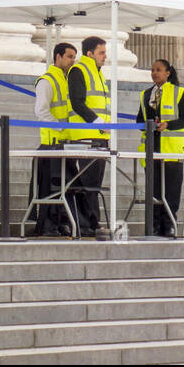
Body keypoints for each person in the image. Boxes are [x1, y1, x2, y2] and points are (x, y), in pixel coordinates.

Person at [136, 58, 184, 237]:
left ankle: (170, 224)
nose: (154, 73)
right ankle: (155, 224)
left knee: (172, 190)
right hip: (151, 148)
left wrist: (167, 125)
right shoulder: (145, 94)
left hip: (172, 149)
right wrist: (148, 123)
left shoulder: (178, 92)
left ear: (168, 73)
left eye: (158, 69)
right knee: (155, 190)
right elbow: (139, 119)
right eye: (152, 69)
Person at [31, 41, 77, 237]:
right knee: (51, 188)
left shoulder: (67, 81)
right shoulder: (47, 80)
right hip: (52, 143)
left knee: (65, 187)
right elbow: (41, 111)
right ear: (58, 57)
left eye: (74, 57)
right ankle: (48, 225)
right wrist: (61, 127)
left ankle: (61, 223)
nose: (72, 61)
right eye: (69, 57)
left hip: (67, 143)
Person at [66, 36, 111, 236]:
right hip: (86, 135)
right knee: (88, 182)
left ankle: (91, 222)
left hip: (99, 135)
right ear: (89, 53)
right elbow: (77, 102)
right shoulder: (79, 70)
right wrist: (97, 121)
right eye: (101, 52)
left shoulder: (98, 73)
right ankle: (87, 224)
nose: (105, 56)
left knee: (94, 183)